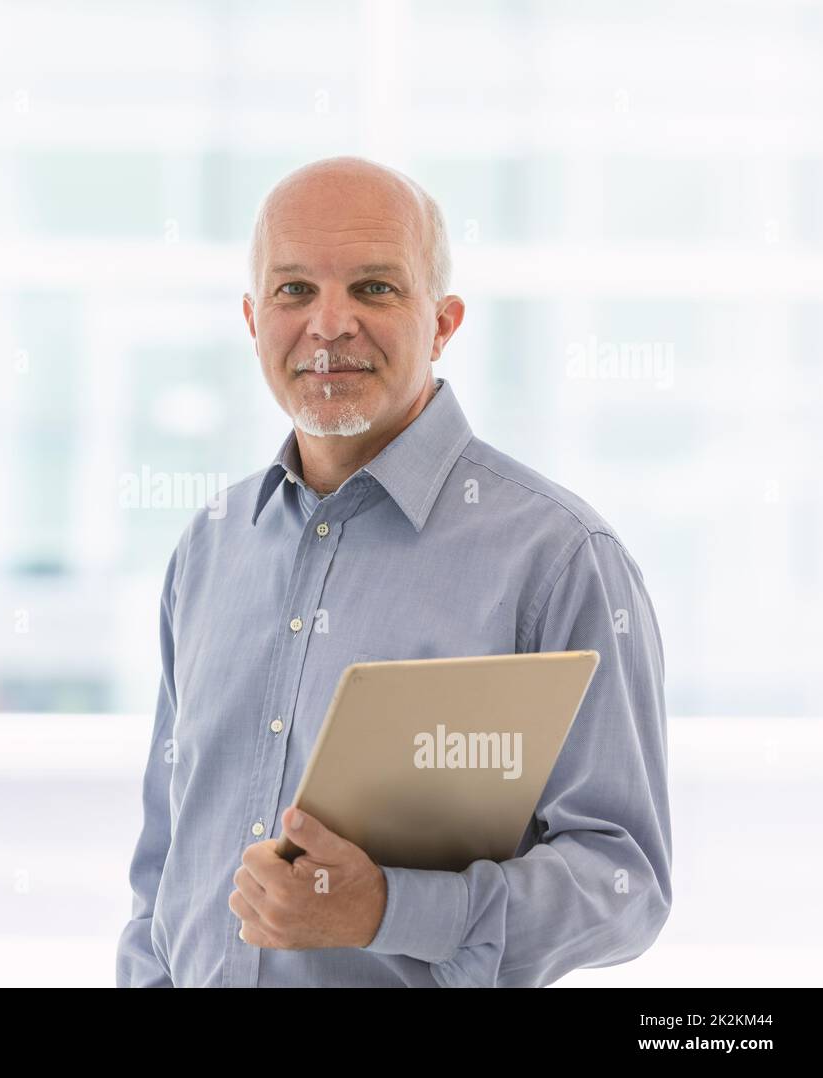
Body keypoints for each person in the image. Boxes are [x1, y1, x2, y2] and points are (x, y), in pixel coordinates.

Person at [116, 156, 671, 987]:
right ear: (251, 317)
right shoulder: (211, 545)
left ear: (443, 321)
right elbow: (165, 862)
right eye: (293, 290)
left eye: (374, 287)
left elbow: (625, 883)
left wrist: (389, 910)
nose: (329, 324)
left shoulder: (557, 557)